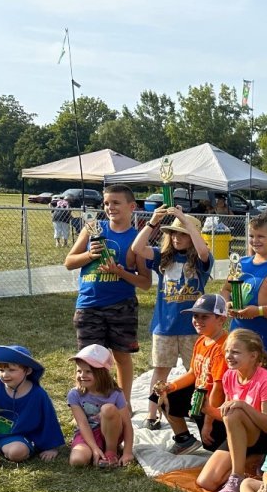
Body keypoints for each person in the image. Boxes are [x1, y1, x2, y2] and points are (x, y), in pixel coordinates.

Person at [64, 184, 151, 404]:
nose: (110, 207)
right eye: (106, 203)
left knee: (121, 357)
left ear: (131, 206)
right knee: (87, 360)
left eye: (116, 202)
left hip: (122, 305)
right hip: (89, 305)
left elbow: (145, 282)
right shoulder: (93, 228)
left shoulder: (137, 238)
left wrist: (120, 272)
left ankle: (124, 403)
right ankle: (86, 403)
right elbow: (69, 262)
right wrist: (89, 255)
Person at [131, 205, 214, 430]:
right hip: (165, 327)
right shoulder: (162, 257)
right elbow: (137, 248)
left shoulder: (200, 261)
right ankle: (152, 414)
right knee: (160, 371)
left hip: (192, 328)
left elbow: (203, 251)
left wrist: (185, 221)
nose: (177, 237)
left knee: (196, 372)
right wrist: (153, 222)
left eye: (183, 234)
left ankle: (193, 409)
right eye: (174, 233)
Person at [196, 329, 267, 492]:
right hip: (238, 436)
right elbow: (227, 416)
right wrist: (208, 410)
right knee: (206, 482)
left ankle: (237, 476)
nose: (229, 356)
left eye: (235, 352)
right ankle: (252, 462)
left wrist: (242, 406)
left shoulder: (266, 380)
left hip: (264, 437)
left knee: (235, 411)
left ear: (253, 356)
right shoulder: (229, 376)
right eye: (227, 351)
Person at [150, 294, 230, 456]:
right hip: (199, 397)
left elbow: (218, 389)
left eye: (204, 317)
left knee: (213, 447)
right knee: (160, 395)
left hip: (215, 403)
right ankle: (184, 439)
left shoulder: (223, 346)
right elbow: (193, 373)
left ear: (221, 319)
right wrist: (170, 386)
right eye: (195, 316)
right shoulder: (202, 340)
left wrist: (209, 421)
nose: (198, 320)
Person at [223, 215, 267, 380]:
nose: (255, 240)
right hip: (238, 338)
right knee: (239, 386)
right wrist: (227, 303)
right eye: (251, 236)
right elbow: (226, 289)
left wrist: (259, 311)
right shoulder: (241, 263)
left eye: (261, 236)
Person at [0, 345, 64, 467]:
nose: (5, 375)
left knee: (17, 452)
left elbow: (48, 419)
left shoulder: (38, 394)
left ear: (27, 371)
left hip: (16, 437)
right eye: (1, 370)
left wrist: (51, 447)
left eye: (11, 370)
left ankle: (3, 447)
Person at [67, 343, 134, 468]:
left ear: (102, 373)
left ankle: (111, 451)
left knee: (107, 409)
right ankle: (97, 450)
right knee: (77, 461)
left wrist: (127, 452)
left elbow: (127, 425)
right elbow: (83, 424)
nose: (82, 375)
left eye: (88, 371)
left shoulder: (116, 393)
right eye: (79, 371)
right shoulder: (74, 394)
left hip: (111, 433)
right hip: (88, 434)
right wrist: (93, 448)